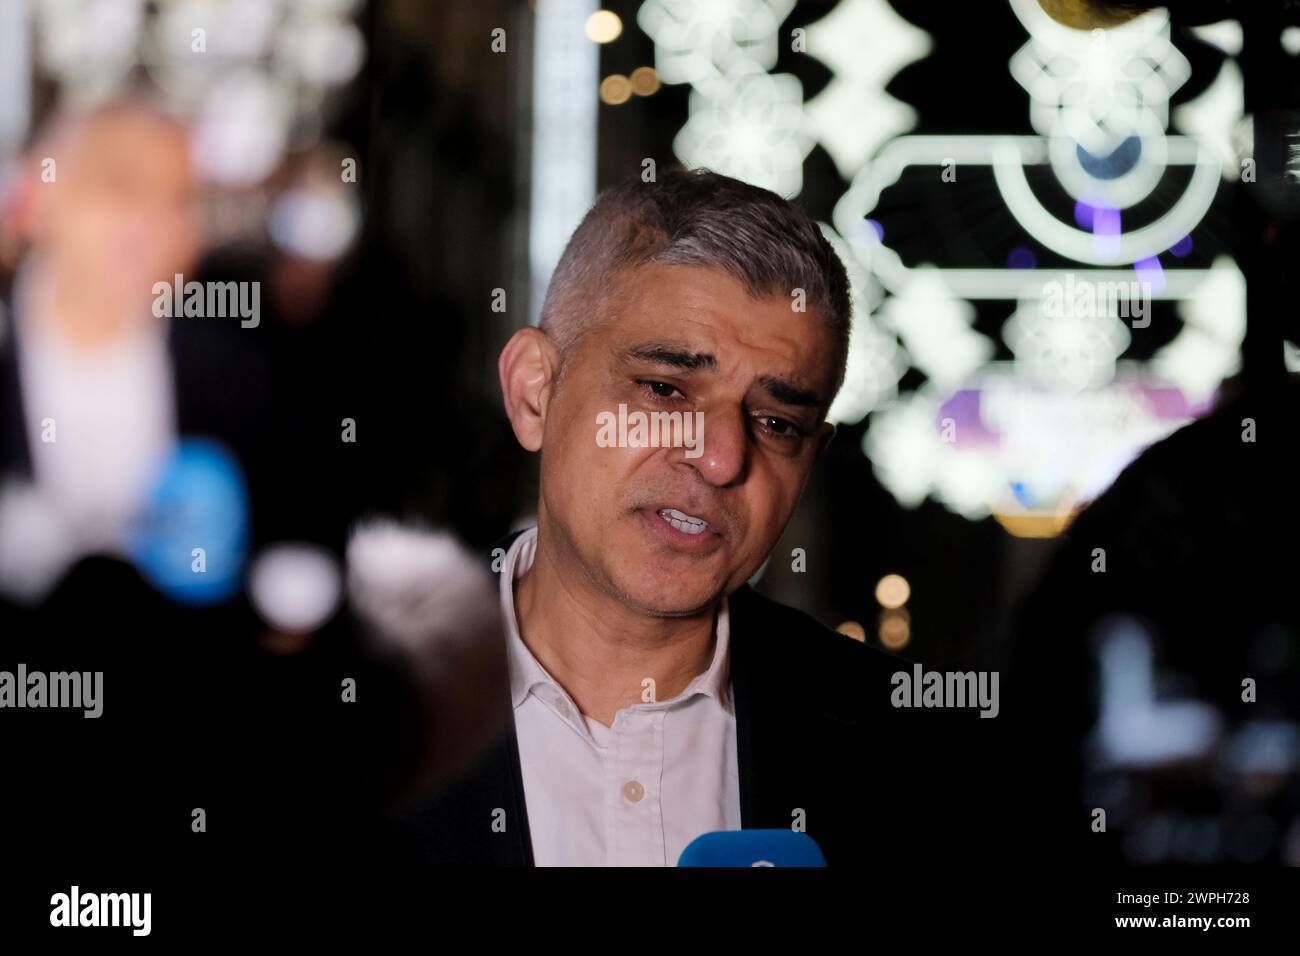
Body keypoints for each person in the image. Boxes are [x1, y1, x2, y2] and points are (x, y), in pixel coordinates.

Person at [387, 168, 972, 867]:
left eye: (776, 422)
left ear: (811, 459)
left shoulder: (918, 759)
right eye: (665, 390)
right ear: (534, 393)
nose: (722, 459)